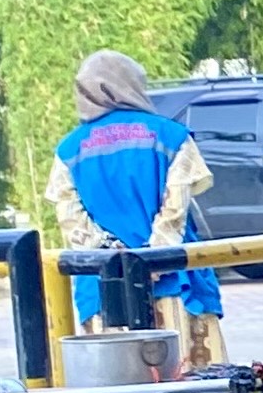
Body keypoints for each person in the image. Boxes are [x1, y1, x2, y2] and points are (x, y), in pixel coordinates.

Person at [47, 51, 227, 371]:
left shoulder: (69, 150)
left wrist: (115, 260)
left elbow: (73, 223)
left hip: (105, 290)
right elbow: (175, 211)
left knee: (120, 384)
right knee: (190, 382)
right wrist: (152, 260)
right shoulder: (171, 137)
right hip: (175, 280)